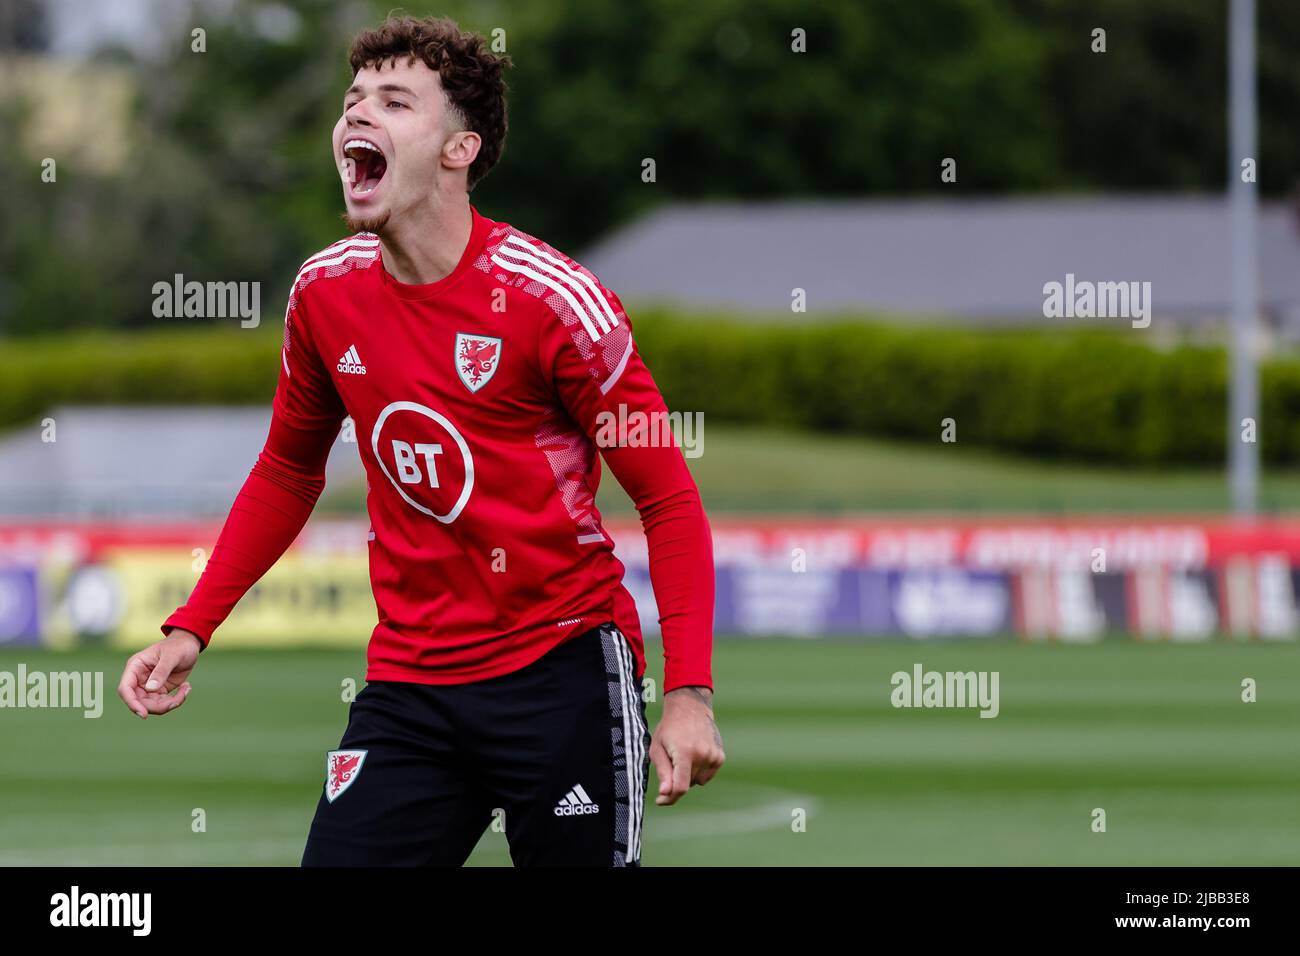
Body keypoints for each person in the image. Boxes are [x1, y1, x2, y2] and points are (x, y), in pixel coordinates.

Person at [116, 14, 723, 867]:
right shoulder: (323, 294)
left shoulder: (558, 303)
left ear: (458, 148)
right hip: (411, 683)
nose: (359, 115)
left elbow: (668, 498)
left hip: (561, 673)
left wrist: (689, 694)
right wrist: (192, 626)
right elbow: (290, 469)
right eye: (353, 99)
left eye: (395, 102)